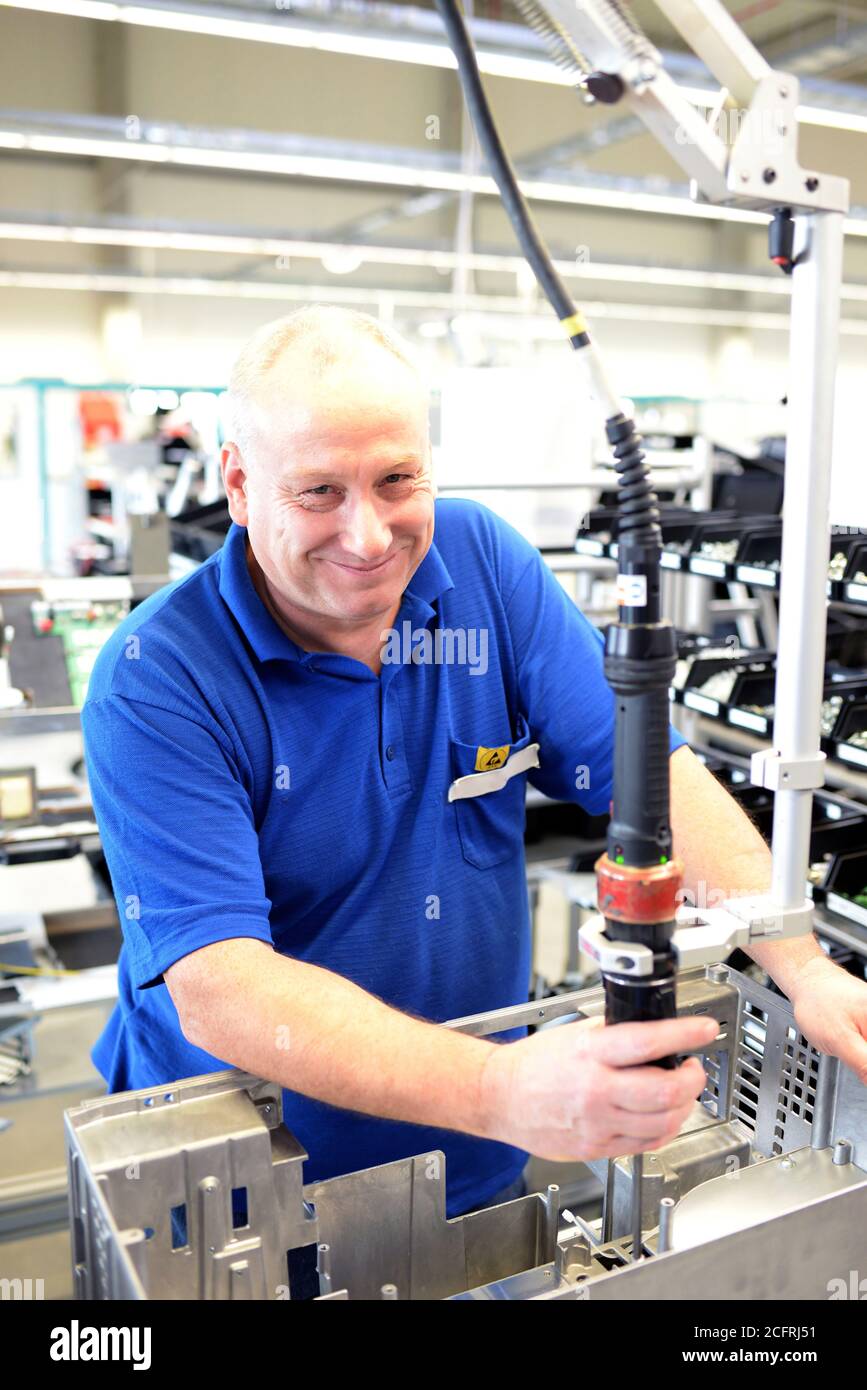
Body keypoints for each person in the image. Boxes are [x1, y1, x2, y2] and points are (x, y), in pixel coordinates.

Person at [83, 306, 867, 1219]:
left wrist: (799, 964)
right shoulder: (157, 678)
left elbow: (647, 774)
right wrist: (502, 1090)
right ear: (238, 483)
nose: (370, 536)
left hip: (475, 1156)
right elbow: (223, 986)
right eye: (318, 492)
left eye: (395, 479)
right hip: (239, 1188)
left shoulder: (481, 564)